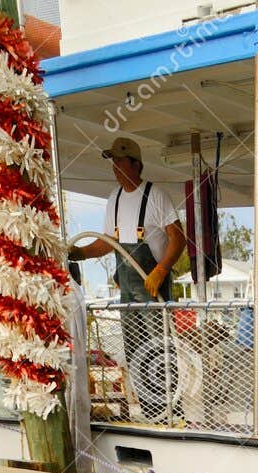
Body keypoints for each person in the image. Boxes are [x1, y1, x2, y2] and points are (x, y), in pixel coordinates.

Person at [68, 137, 186, 414]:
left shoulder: (155, 195)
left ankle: (171, 413)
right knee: (135, 349)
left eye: (120, 162)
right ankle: (149, 411)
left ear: (136, 164)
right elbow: (108, 242)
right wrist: (78, 253)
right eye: (113, 163)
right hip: (128, 292)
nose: (115, 168)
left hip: (153, 288)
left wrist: (161, 270)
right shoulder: (115, 199)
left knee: (160, 349)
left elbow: (178, 238)